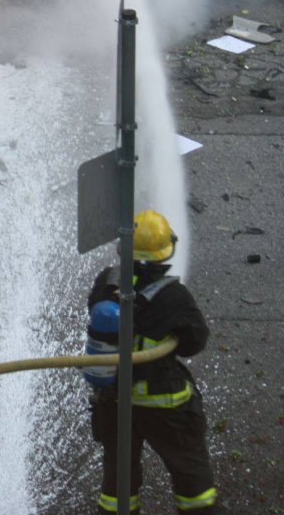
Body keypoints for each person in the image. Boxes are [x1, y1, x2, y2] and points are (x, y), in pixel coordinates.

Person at [87, 210, 220, 514]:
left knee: (118, 479)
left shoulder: (105, 283)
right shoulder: (174, 297)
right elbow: (194, 342)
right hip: (165, 404)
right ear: (163, 253)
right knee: (190, 471)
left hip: (114, 401)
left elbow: (93, 310)